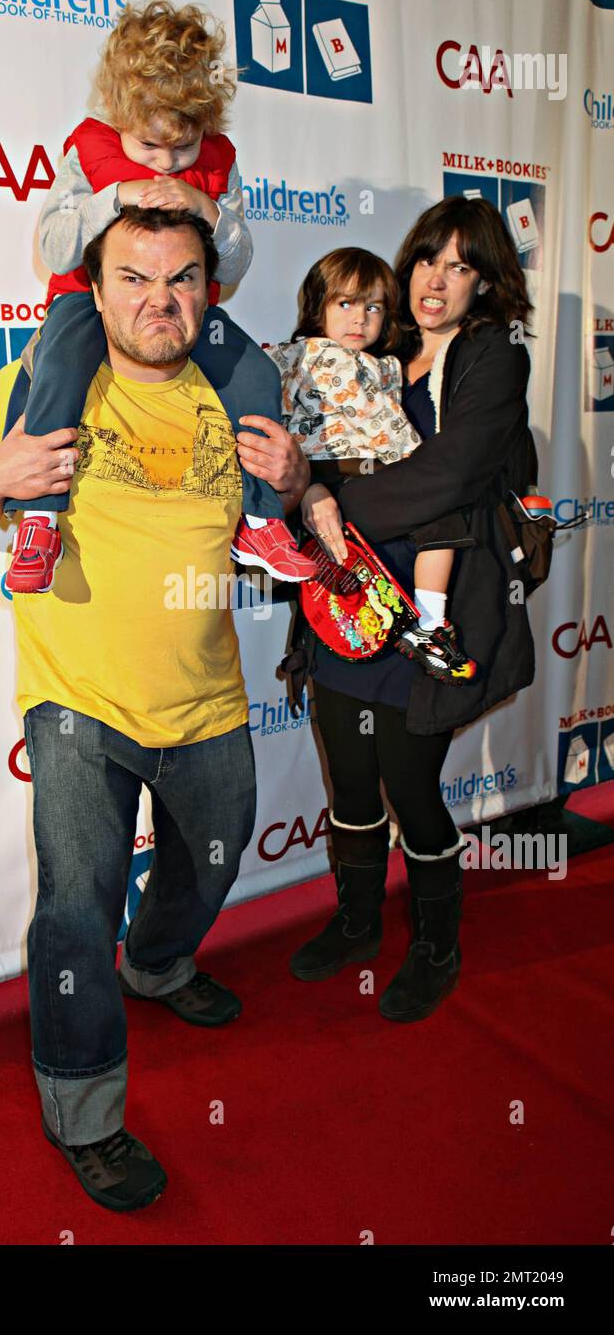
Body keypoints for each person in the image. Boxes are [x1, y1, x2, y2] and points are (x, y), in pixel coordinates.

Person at [0, 205, 308, 1212]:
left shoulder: (235, 391)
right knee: (72, 907)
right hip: (78, 703)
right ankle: (86, 1112)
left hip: (209, 698)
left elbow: (295, 525)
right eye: (133, 277)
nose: (159, 299)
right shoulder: (38, 382)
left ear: (207, 291)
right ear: (92, 291)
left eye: (181, 278)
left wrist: (298, 479)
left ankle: (157, 962)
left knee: (213, 857)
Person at [282, 196, 536, 1022]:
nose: (436, 280)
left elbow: (455, 472)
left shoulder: (489, 354)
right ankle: (357, 922)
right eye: (428, 258)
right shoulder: (371, 347)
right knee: (349, 783)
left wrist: (336, 504)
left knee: (409, 787)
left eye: (461, 265)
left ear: (485, 283)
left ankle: (435, 942)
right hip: (341, 601)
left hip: (426, 616)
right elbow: (307, 457)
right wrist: (311, 490)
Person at [2, 0, 312, 593]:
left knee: (254, 373)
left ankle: (261, 521)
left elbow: (239, 259)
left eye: (183, 149)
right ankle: (38, 520)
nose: (167, 165)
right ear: (120, 117)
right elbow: (56, 247)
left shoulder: (221, 163)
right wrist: (115, 195)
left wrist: (206, 208)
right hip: (85, 302)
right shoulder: (89, 150)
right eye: (149, 148)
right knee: (60, 370)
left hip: (188, 311)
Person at [267, 245, 478, 683]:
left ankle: (416, 623)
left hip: (352, 477)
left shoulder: (367, 363)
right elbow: (386, 428)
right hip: (341, 470)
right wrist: (419, 466)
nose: (359, 318)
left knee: (421, 531)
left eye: (373, 307)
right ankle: (429, 623)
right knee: (440, 515)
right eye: (345, 304)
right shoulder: (318, 358)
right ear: (317, 307)